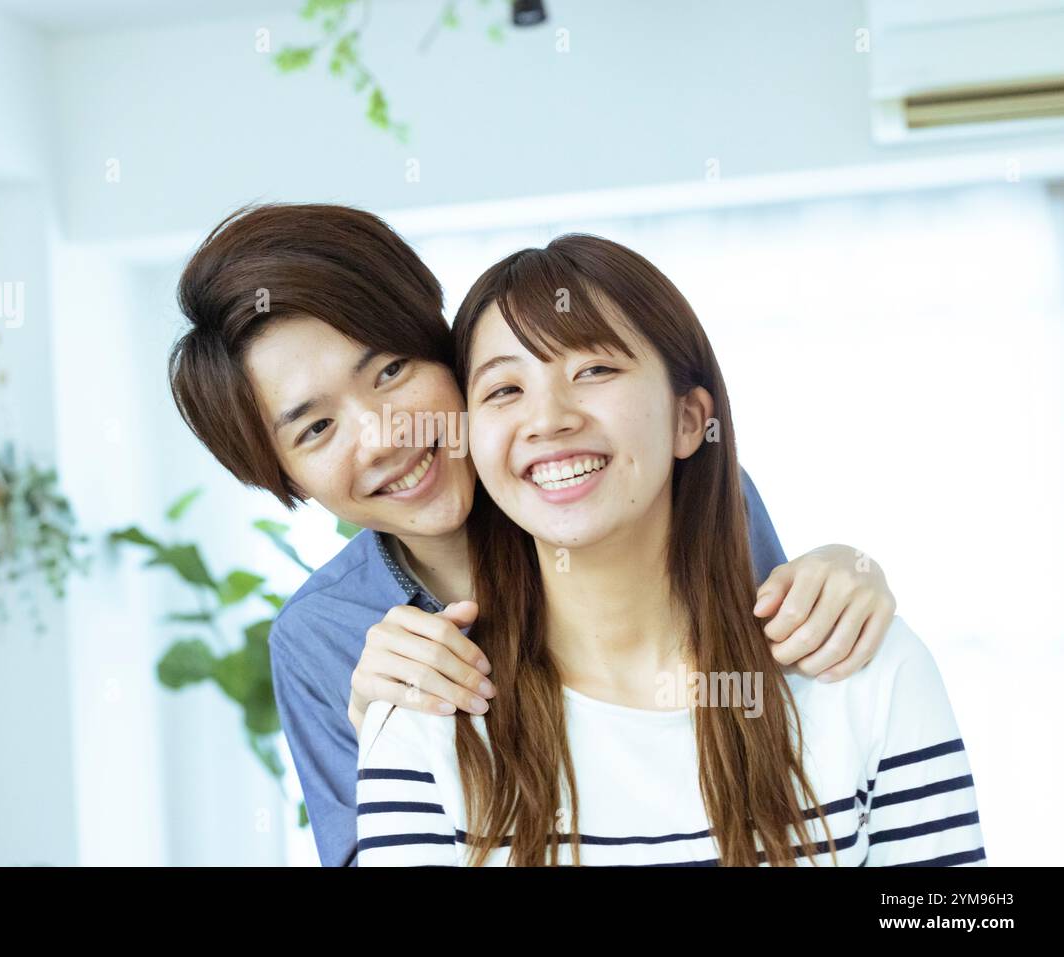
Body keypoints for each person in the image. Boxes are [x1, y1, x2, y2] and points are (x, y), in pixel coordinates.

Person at [170, 203, 898, 867]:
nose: (388, 436)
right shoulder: (323, 635)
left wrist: (846, 574)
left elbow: (795, 728)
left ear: (448, 350)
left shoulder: (643, 497)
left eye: (392, 370)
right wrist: (388, 744)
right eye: (317, 427)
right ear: (284, 476)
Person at [356, 234, 985, 866]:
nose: (548, 419)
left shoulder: (866, 671)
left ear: (689, 419)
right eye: (504, 390)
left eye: (594, 370)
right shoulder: (424, 721)